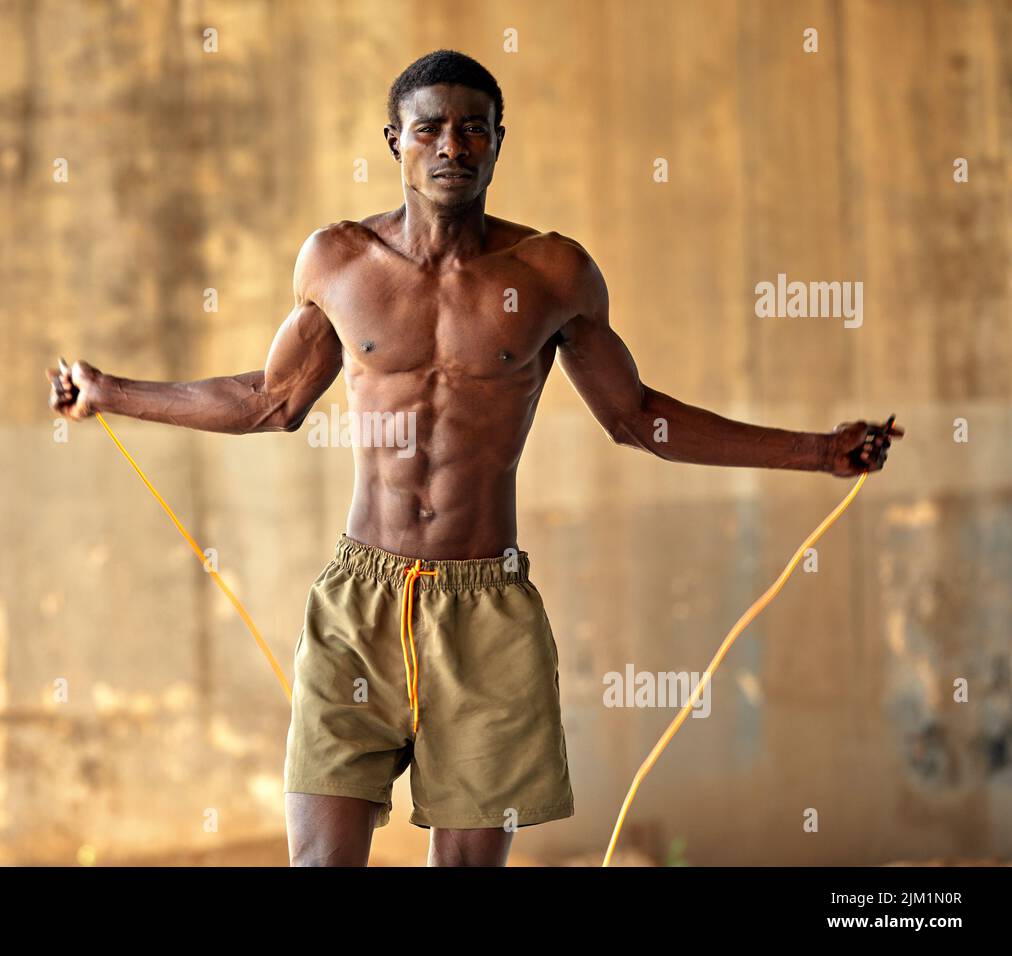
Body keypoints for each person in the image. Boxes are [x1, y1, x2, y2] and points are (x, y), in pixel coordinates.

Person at [46, 49, 902, 867]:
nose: (452, 145)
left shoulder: (553, 271)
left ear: (498, 140)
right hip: (360, 603)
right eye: (428, 129)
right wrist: (109, 391)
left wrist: (819, 452)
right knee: (320, 857)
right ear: (394, 143)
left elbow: (639, 420)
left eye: (473, 128)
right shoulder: (338, 260)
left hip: (487, 611)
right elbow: (273, 402)